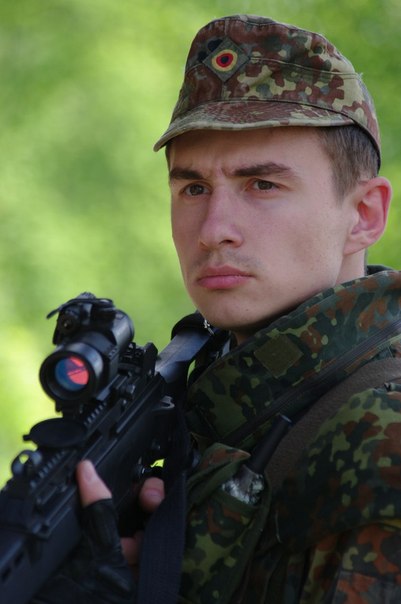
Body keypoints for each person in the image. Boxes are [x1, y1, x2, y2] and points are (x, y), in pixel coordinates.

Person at [33, 13, 401, 603]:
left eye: (263, 185)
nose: (213, 230)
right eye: (194, 188)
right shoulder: (216, 393)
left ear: (364, 215)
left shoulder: (384, 436)